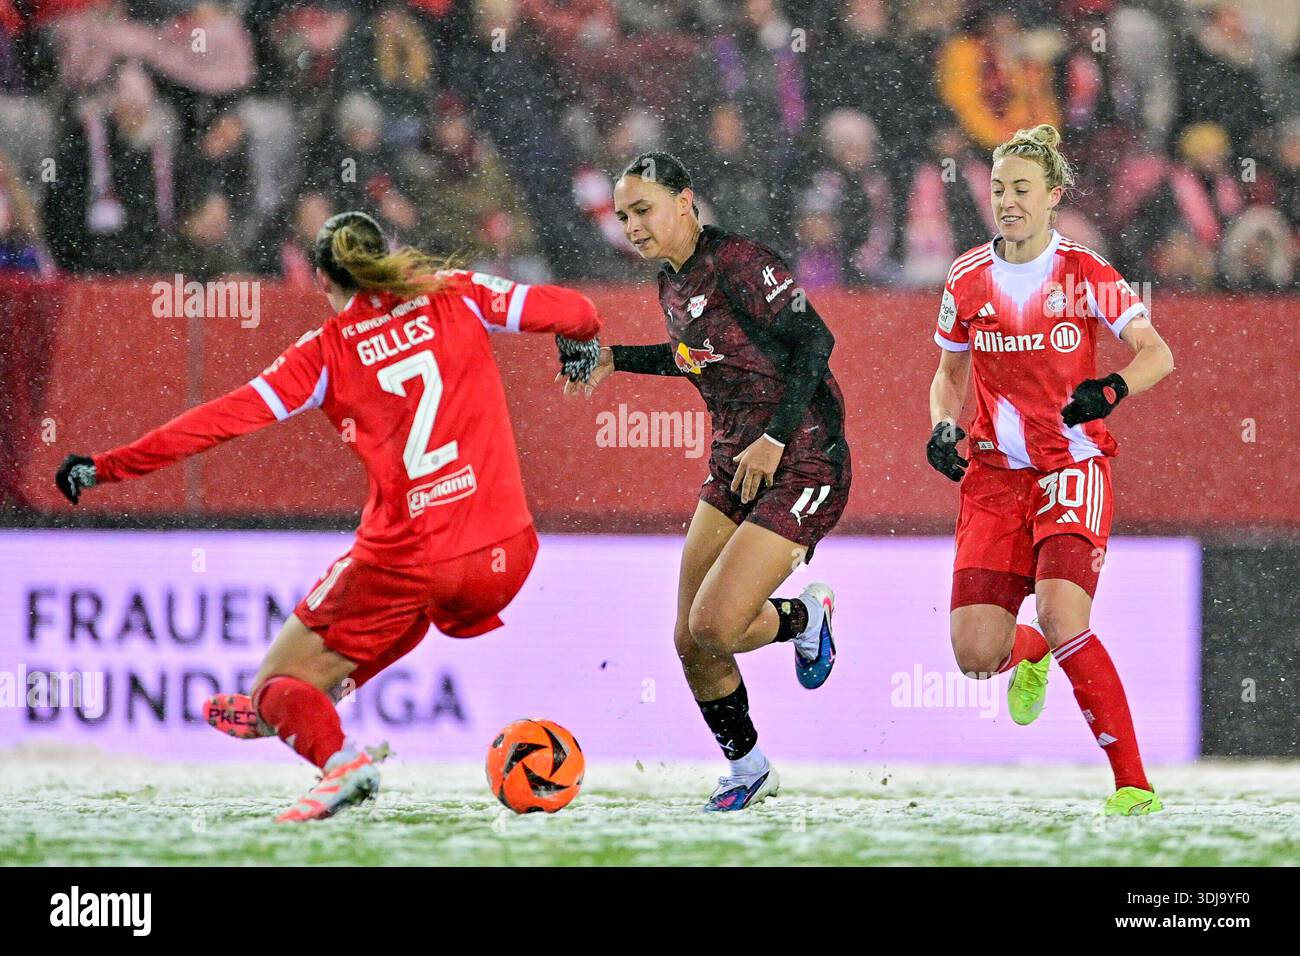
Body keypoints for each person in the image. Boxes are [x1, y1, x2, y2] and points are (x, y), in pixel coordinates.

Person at [55, 211, 603, 822]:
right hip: (508, 555)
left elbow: (216, 422)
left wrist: (107, 466)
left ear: (322, 280)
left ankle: (331, 750)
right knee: (401, 617)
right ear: (387, 256)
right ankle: (316, 700)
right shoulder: (457, 292)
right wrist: (578, 342)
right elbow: (576, 308)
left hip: (411, 560)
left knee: (272, 687)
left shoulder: (323, 352)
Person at [561, 153, 851, 811]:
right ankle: (749, 768)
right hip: (733, 468)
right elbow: (700, 357)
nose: (631, 225)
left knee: (716, 625)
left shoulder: (742, 263)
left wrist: (776, 437)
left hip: (804, 459)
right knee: (690, 640)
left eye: (643, 210)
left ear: (686, 202)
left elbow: (816, 342)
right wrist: (616, 360)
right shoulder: (671, 281)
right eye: (623, 214)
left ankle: (807, 615)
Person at [925, 124, 1175, 815]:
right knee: (976, 654)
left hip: (1071, 467)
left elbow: (1157, 353)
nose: (1007, 201)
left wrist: (1113, 389)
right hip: (994, 478)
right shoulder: (966, 276)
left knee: (1069, 617)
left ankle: (1133, 786)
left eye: (1021, 190)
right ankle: (1025, 650)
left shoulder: (1086, 271)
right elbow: (946, 377)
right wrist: (942, 426)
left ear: (1053, 196)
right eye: (999, 188)